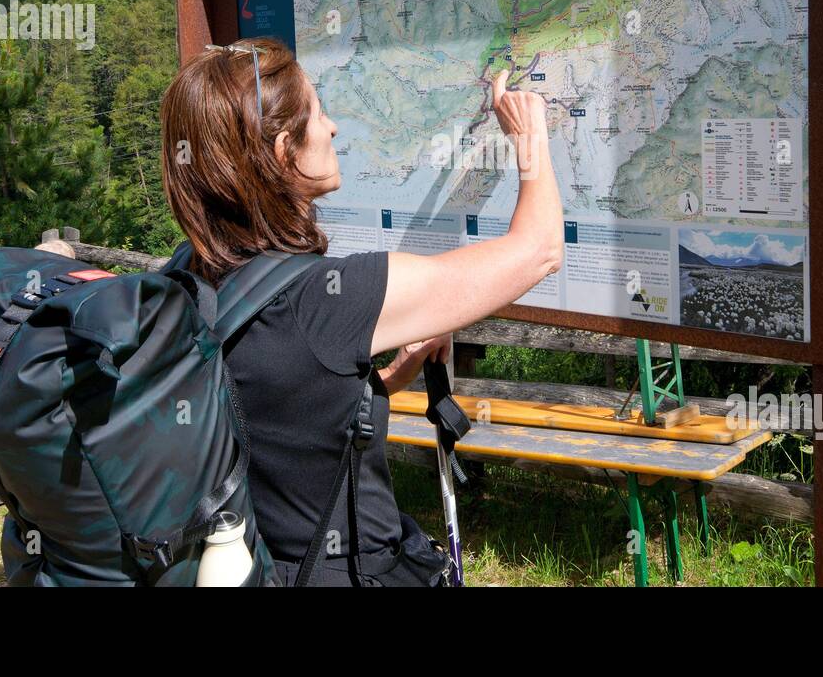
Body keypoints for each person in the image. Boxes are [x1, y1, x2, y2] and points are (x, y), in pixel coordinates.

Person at [159, 37, 562, 585]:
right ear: (283, 152)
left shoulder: (184, 278)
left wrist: (388, 380)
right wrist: (530, 139)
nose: (332, 129)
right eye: (320, 114)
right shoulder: (331, 300)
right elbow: (539, 250)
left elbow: (280, 410)